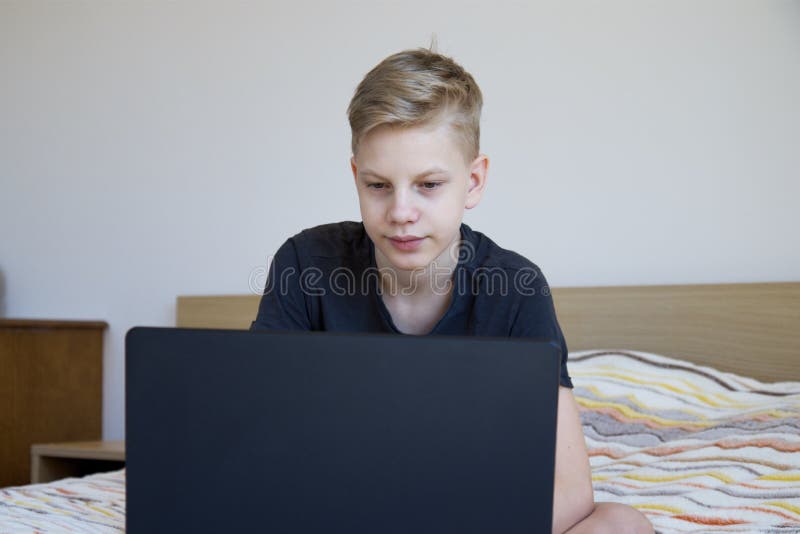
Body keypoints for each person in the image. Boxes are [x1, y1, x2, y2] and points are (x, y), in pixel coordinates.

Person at [251, 42, 653, 534]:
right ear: (356, 177)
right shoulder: (304, 266)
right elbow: (257, 441)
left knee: (621, 523)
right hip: (344, 509)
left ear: (475, 181)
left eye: (429, 185)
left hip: (477, 517)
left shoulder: (516, 288)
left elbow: (570, 490)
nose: (401, 211)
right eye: (379, 186)